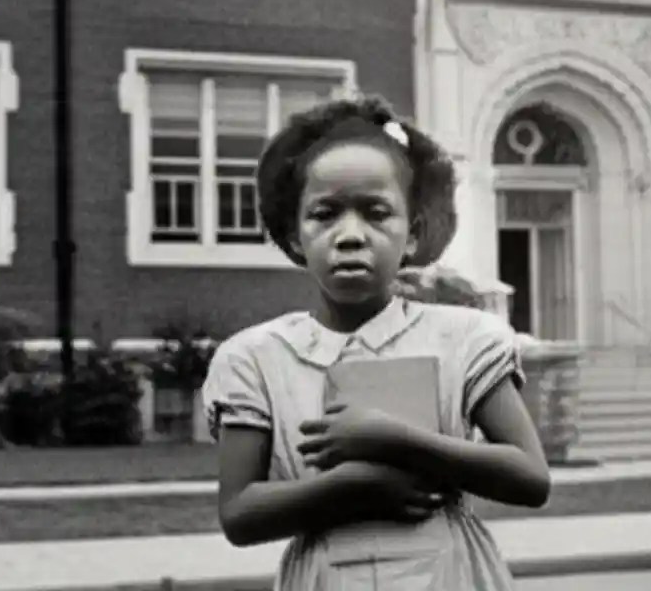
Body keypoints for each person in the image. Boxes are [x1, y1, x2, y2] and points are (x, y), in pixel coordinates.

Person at [201, 95, 552, 590]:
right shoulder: (255, 359)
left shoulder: (462, 338)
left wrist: (396, 440)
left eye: (375, 213)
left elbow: (530, 477)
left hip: (450, 574)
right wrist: (354, 485)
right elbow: (239, 514)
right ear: (295, 235)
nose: (350, 235)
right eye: (325, 214)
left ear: (411, 234)